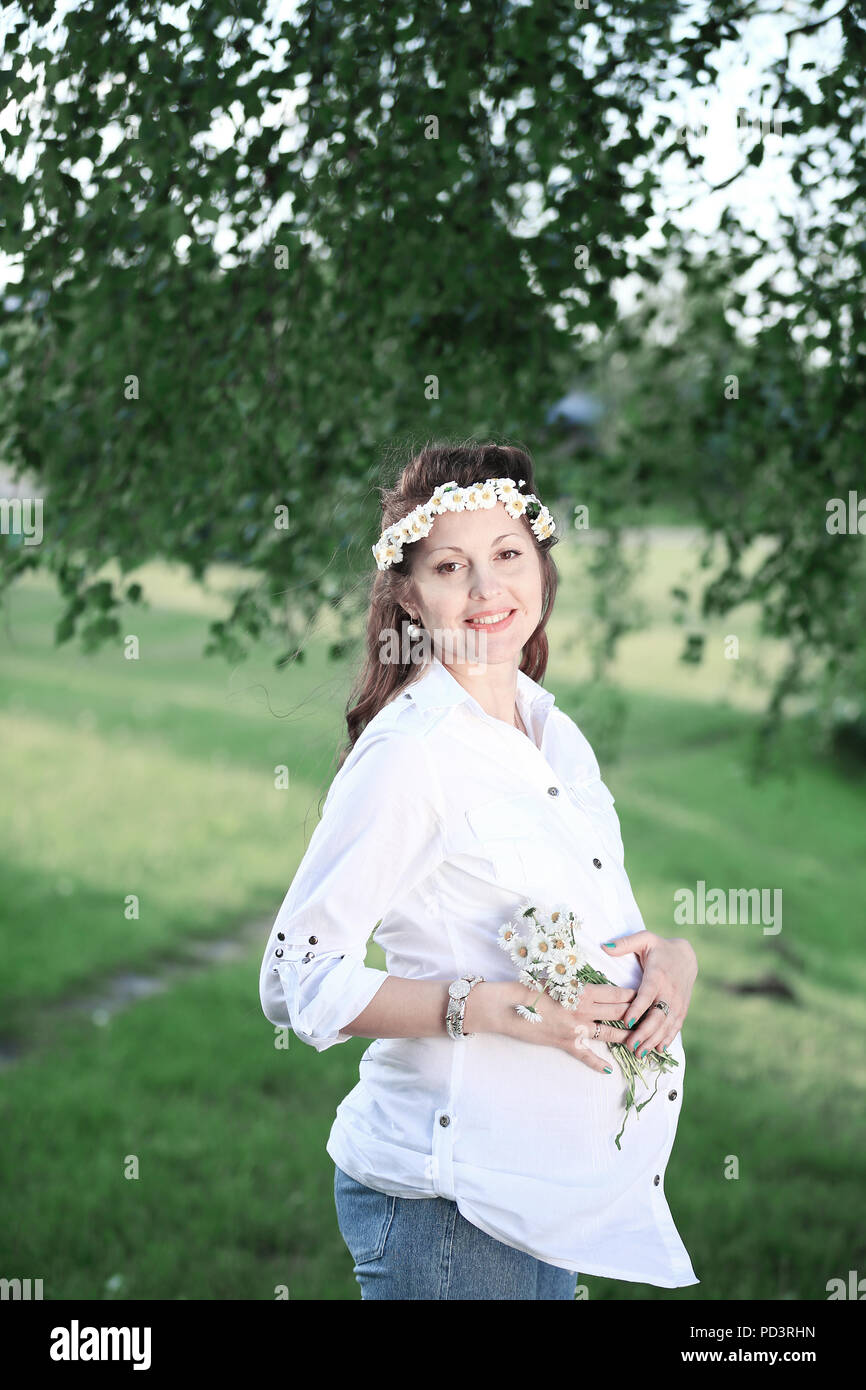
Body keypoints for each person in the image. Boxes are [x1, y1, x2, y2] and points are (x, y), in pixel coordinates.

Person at [259, 440, 700, 1299]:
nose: (487, 589)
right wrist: (482, 1008)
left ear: (541, 567)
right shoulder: (410, 755)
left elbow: (595, 925)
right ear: (411, 597)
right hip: (452, 1209)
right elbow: (295, 976)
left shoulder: (550, 732)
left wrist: (671, 959)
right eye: (451, 566)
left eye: (507, 556)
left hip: (547, 1196)